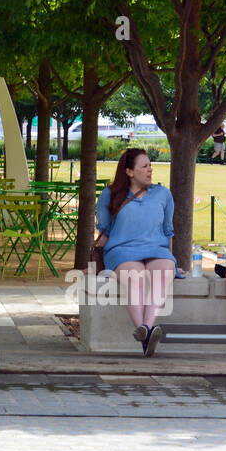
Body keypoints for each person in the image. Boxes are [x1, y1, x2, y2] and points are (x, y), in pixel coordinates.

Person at [94, 148, 176, 357]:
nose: (150, 170)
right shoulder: (110, 195)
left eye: (150, 165)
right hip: (122, 251)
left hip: (157, 249)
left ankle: (145, 330)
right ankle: (147, 334)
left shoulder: (163, 193)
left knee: (164, 270)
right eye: (144, 166)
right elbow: (104, 232)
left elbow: (168, 231)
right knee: (135, 277)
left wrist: (171, 258)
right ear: (129, 172)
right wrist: (93, 268)